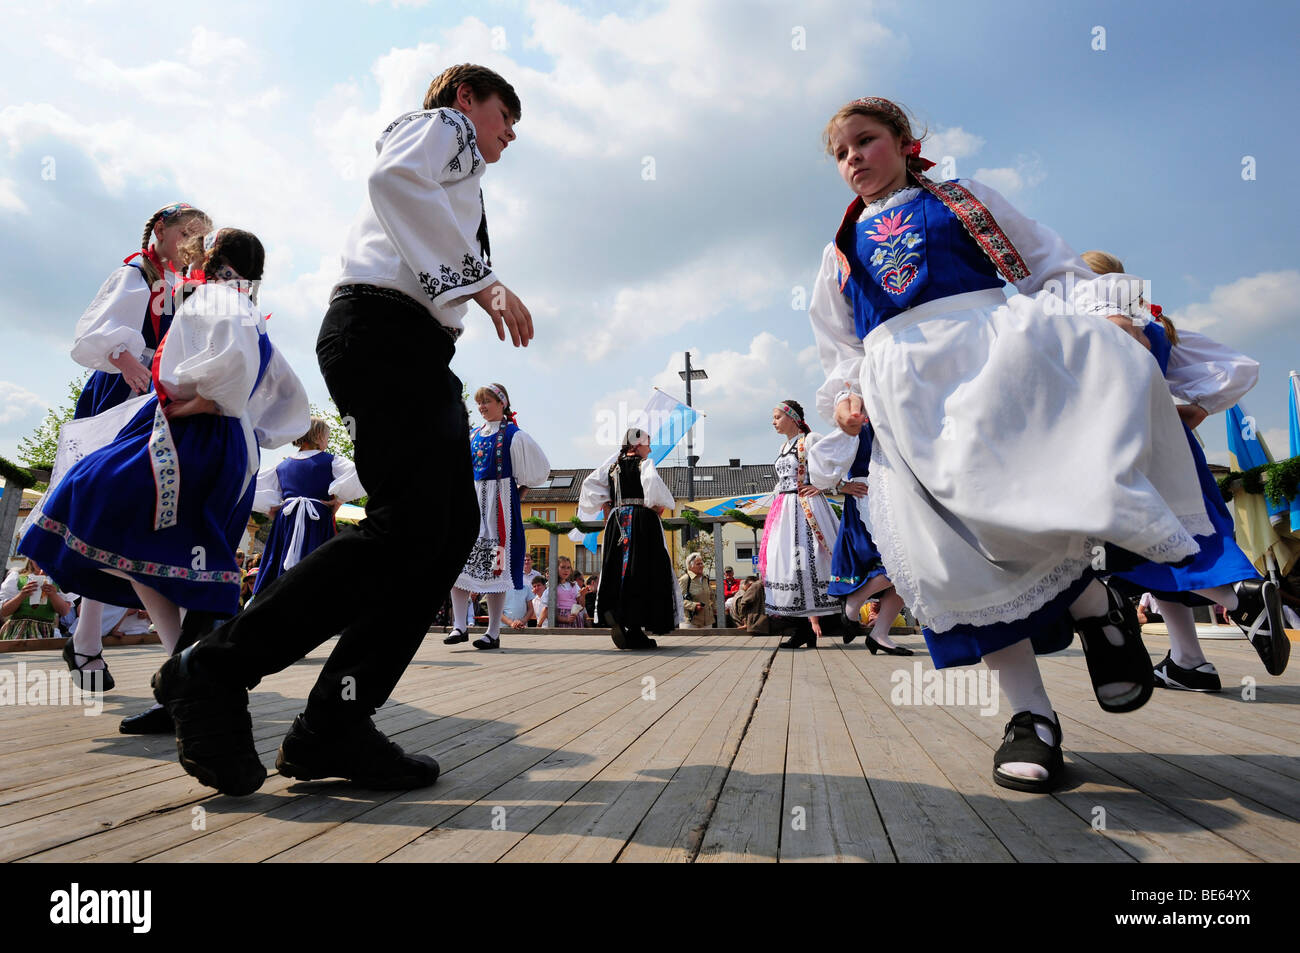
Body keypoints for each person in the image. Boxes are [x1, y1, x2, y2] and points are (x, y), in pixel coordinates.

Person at [150, 64, 532, 796]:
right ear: (464, 99)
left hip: (403, 342)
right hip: (385, 333)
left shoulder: (456, 163)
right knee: (408, 530)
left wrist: (473, 284)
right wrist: (485, 283)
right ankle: (216, 667)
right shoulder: (445, 129)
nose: (509, 131)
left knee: (441, 536)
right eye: (504, 113)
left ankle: (336, 719)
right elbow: (391, 180)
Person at [810, 97, 1211, 793]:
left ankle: (1093, 603)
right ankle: (1032, 716)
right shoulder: (839, 249)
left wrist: (1104, 312)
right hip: (904, 405)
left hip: (989, 374)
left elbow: (1049, 264)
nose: (853, 160)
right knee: (950, 560)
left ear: (906, 141)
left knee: (1030, 508)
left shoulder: (966, 199)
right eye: (841, 153)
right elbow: (838, 342)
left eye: (865, 141)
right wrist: (846, 392)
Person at [21, 228, 309, 734]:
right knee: (157, 550)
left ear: (211, 259)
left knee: (96, 497)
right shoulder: (241, 305)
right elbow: (287, 401)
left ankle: (182, 675)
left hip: (196, 434)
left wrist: (198, 402)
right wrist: (241, 421)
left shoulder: (217, 298)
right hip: (222, 438)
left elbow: (236, 374)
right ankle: (184, 679)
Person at [1080, 250, 1288, 687]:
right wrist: (1200, 407)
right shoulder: (1158, 328)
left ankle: (1239, 601)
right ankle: (1188, 660)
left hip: (1124, 445)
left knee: (1143, 545)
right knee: (1159, 551)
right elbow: (1238, 367)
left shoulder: (1092, 316)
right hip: (1175, 447)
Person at [62, 203, 212, 690]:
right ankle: (178, 661)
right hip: (124, 398)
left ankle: (88, 641)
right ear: (161, 229)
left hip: (159, 399)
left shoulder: (185, 282)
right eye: (187, 232)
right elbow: (96, 330)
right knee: (128, 516)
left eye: (201, 236)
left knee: (127, 520)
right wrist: (126, 358)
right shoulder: (138, 273)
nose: (193, 242)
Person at [444, 383, 550, 649]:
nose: (481, 407)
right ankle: (459, 625)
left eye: (487, 401)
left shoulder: (514, 435)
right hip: (472, 506)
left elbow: (539, 470)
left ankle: (492, 632)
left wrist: (517, 493)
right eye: (479, 402)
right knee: (458, 565)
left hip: (499, 508)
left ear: (502, 403)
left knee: (496, 569)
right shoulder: (472, 435)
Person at [805, 424, 911, 655]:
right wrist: (841, 485)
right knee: (901, 563)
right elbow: (818, 454)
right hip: (869, 500)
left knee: (912, 572)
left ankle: (880, 633)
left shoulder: (892, 416)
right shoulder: (859, 423)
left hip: (896, 498)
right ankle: (855, 600)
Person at [576, 427, 683, 649]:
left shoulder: (613, 467)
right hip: (642, 521)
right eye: (647, 444)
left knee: (618, 569)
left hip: (617, 521)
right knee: (645, 570)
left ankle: (616, 614)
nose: (650, 449)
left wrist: (607, 504)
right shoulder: (645, 465)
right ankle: (635, 629)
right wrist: (658, 505)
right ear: (636, 445)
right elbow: (655, 491)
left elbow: (589, 485)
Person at [758, 401, 841, 648]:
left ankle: (843, 619)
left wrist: (825, 486)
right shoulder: (784, 446)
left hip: (807, 507)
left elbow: (833, 464)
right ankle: (802, 628)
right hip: (785, 510)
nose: (773, 422)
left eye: (776, 417)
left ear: (792, 417)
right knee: (791, 566)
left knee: (814, 560)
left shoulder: (811, 440)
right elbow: (781, 482)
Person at [251, 416, 365, 597]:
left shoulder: (282, 465)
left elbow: (252, 488)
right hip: (316, 519)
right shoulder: (331, 461)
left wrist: (271, 507)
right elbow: (361, 473)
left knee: (280, 565)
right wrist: (340, 499)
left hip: (286, 521)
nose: (327, 441)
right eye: (327, 436)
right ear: (319, 436)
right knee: (316, 566)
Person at [0, 560, 73, 642]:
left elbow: (64, 612)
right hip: (17, 632)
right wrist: (21, 595)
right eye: (37, 557)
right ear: (30, 558)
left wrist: (53, 595)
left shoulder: (59, 582)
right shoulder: (17, 577)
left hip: (45, 633)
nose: (41, 561)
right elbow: (4, 612)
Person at [679, 553, 715, 628]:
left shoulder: (705, 578)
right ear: (690, 566)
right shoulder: (685, 579)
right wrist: (694, 606)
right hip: (690, 622)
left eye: (702, 563)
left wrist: (714, 608)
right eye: (698, 564)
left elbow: (711, 596)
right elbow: (678, 600)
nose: (701, 566)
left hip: (707, 621)